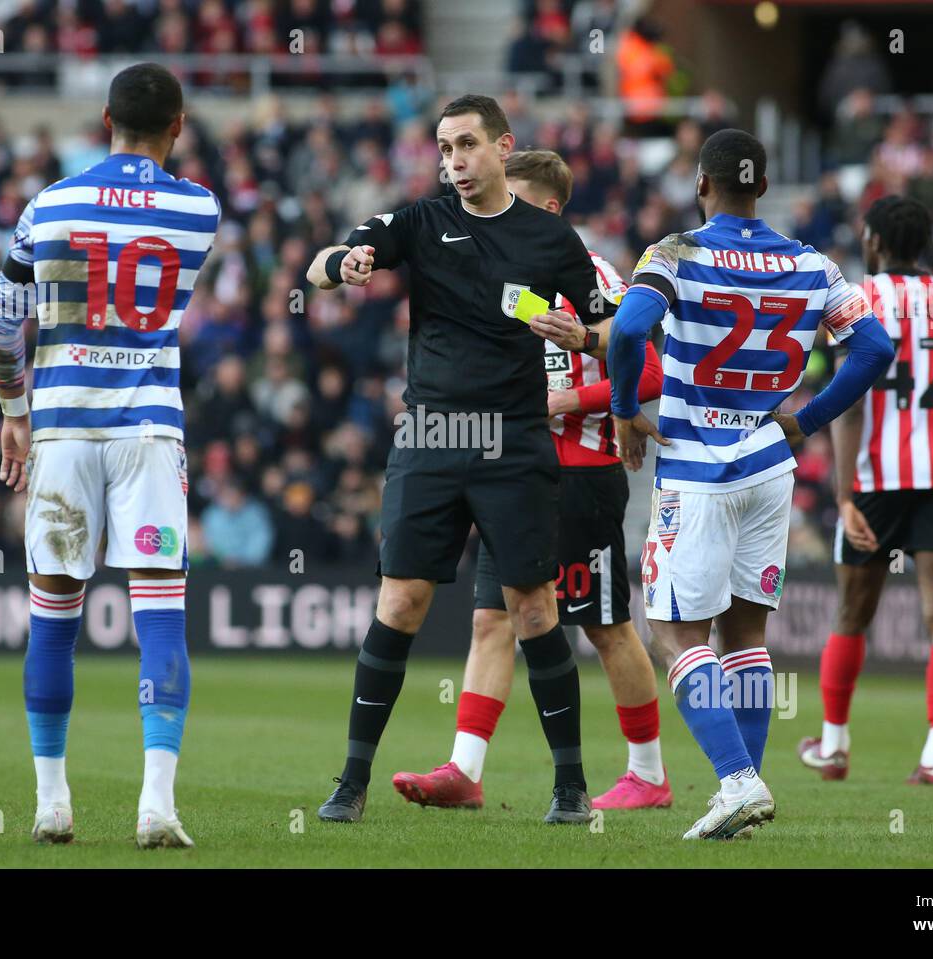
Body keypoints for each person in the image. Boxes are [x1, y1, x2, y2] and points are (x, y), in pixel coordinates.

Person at [305, 95, 615, 824]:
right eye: (444, 149)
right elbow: (319, 267)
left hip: (515, 438)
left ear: (503, 147)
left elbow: (609, 329)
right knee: (401, 600)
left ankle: (570, 786)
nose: (453, 162)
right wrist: (341, 264)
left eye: (466, 146)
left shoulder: (551, 239)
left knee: (533, 607)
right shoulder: (417, 221)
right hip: (434, 438)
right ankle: (351, 782)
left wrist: (583, 338)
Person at [608, 128, 895, 839]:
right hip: (770, 465)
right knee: (745, 634)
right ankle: (749, 792)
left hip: (696, 470)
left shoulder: (675, 252)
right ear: (762, 187)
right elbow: (875, 348)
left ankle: (737, 780)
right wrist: (809, 417)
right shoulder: (812, 263)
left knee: (673, 631)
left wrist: (621, 413)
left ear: (702, 186)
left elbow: (626, 332)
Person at [389, 149, 674, 812]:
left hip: (580, 474)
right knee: (491, 620)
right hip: (512, 476)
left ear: (545, 208)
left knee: (604, 626)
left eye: (509, 198)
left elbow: (651, 369)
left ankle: (649, 772)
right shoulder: (502, 277)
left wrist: (566, 403)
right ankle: (465, 767)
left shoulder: (592, 272)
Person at [0, 63, 220, 848]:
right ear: (178, 125)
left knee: (53, 619)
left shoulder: (49, 205)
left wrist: (14, 409)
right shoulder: (199, 209)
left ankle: (52, 802)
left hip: (61, 428)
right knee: (161, 620)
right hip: (149, 432)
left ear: (104, 118)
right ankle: (157, 803)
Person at [798, 196, 933, 786]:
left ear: (874, 241)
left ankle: (833, 746)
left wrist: (847, 493)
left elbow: (847, 401)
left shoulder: (858, 301)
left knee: (853, 611)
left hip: (876, 475)